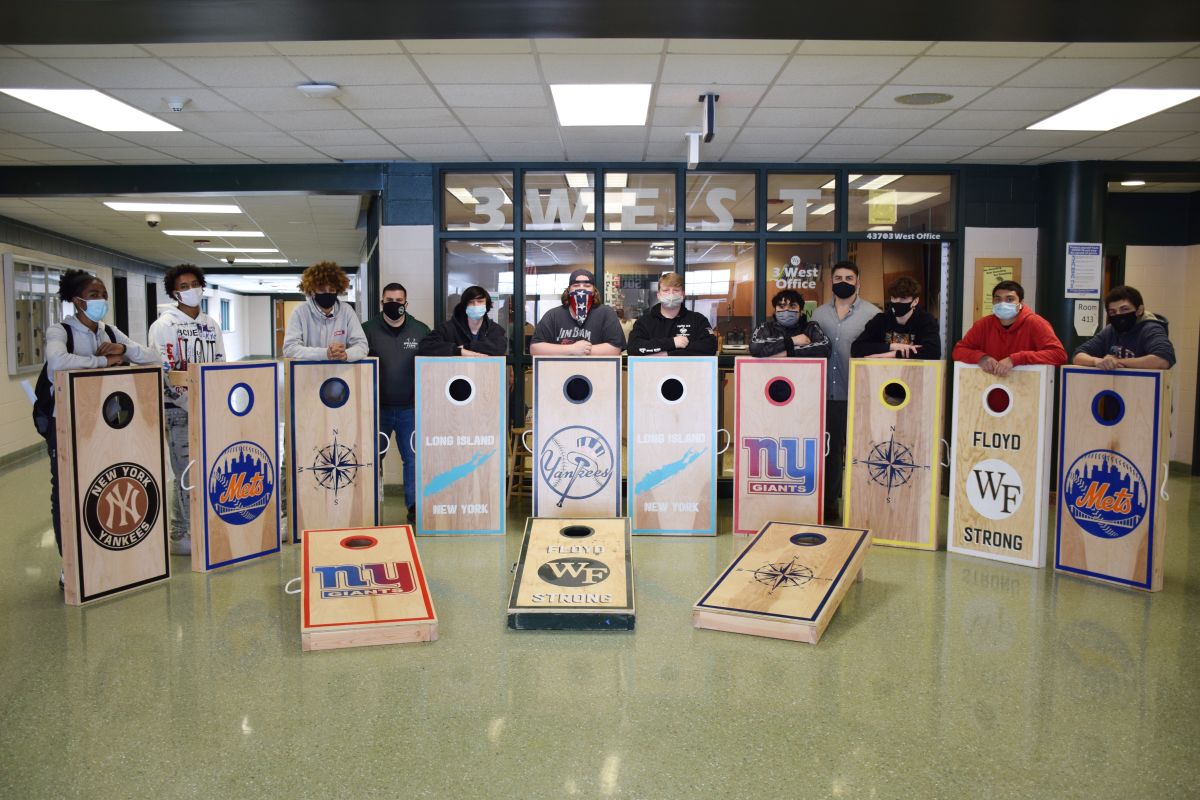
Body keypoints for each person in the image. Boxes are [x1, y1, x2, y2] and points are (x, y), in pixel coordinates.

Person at [36, 269, 158, 580]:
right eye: (93, 295)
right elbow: (58, 363)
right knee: (65, 491)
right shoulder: (60, 330)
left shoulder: (110, 332)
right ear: (76, 300)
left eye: (103, 293)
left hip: (107, 426)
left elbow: (153, 357)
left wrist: (123, 350)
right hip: (65, 424)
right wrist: (103, 362)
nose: (100, 299)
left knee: (101, 486)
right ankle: (70, 566)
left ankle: (103, 556)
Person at [147, 264, 226, 555]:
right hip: (178, 411)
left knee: (205, 471)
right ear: (173, 292)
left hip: (209, 408)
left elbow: (220, 364)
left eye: (195, 283)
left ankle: (184, 529)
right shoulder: (164, 325)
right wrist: (189, 403)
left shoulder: (211, 324)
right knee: (185, 473)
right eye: (183, 286)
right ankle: (183, 534)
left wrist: (215, 403)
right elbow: (165, 372)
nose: (191, 289)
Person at [811, 260, 880, 521]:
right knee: (828, 453)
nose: (843, 282)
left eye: (849, 278)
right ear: (831, 282)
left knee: (859, 452)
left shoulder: (873, 314)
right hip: (824, 396)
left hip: (858, 396)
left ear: (858, 282)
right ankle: (830, 506)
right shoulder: (818, 315)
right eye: (838, 277)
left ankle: (859, 506)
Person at [362, 282, 430, 524]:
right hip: (376, 408)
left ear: (405, 304)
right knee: (372, 458)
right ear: (381, 303)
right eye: (388, 301)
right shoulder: (367, 330)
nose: (393, 305)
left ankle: (413, 508)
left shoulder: (420, 330)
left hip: (410, 408)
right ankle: (369, 506)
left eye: (398, 301)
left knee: (412, 457)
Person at [952, 280, 1066, 376]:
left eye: (1010, 299)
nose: (1003, 303)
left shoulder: (1036, 323)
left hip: (1027, 391)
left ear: (1020, 303)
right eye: (998, 299)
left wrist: (1016, 359)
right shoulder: (983, 325)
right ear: (993, 302)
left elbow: (1058, 355)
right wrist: (981, 358)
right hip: (988, 391)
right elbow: (958, 351)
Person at [1072, 285, 1175, 370]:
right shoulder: (1110, 330)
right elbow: (1078, 356)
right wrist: (1096, 361)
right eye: (1113, 312)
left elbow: (1163, 360)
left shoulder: (1150, 328)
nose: (1118, 315)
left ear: (1139, 310)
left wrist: (1117, 362)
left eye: (1124, 309)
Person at [282, 260, 368, 362]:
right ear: (313, 291)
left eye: (331, 290)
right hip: (308, 372)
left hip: (340, 374)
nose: (327, 293)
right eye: (322, 290)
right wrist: (324, 354)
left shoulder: (347, 311)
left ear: (337, 290)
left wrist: (346, 354)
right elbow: (289, 348)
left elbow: (362, 346)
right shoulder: (300, 312)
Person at [529, 269, 626, 356]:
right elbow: (535, 348)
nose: (581, 289)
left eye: (587, 286)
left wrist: (584, 351)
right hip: (561, 372)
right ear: (569, 290)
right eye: (576, 285)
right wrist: (572, 349)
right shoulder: (553, 315)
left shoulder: (606, 313)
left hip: (597, 372)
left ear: (594, 291)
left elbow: (615, 348)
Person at [627, 272, 718, 357]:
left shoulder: (698, 320)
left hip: (688, 372)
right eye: (666, 290)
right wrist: (672, 342)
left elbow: (710, 347)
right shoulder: (644, 322)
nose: (671, 294)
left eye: (676, 290)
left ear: (683, 294)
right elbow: (633, 348)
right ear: (658, 295)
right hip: (653, 372)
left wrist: (667, 354)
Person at [851, 275, 942, 360]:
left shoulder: (926, 321)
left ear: (915, 301)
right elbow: (856, 349)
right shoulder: (881, 320)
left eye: (903, 298)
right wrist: (892, 347)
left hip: (914, 374)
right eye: (894, 298)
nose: (897, 302)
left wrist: (893, 354)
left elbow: (933, 352)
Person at [417, 285, 508, 357]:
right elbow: (425, 346)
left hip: (484, 377)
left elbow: (499, 348)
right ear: (465, 306)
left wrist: (467, 347)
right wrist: (458, 351)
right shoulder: (448, 328)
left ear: (487, 305)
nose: (475, 305)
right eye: (471, 302)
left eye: (480, 301)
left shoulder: (495, 329)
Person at [749, 288, 831, 359]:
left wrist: (787, 353)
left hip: (802, 376)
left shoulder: (811, 327)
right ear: (775, 310)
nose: (786, 310)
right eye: (781, 306)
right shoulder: (765, 327)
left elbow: (825, 348)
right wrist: (792, 341)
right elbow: (755, 348)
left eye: (792, 306)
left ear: (801, 311)